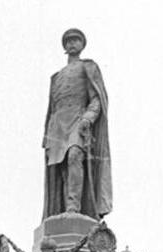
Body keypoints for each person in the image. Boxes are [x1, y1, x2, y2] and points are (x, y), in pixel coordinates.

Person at [42, 28, 112, 220]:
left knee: (74, 156)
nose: (72, 43)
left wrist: (88, 117)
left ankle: (74, 208)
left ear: (82, 44)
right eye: (69, 41)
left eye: (76, 40)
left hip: (78, 120)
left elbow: (97, 98)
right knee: (60, 170)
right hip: (57, 127)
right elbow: (52, 107)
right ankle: (61, 211)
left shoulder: (88, 67)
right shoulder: (56, 77)